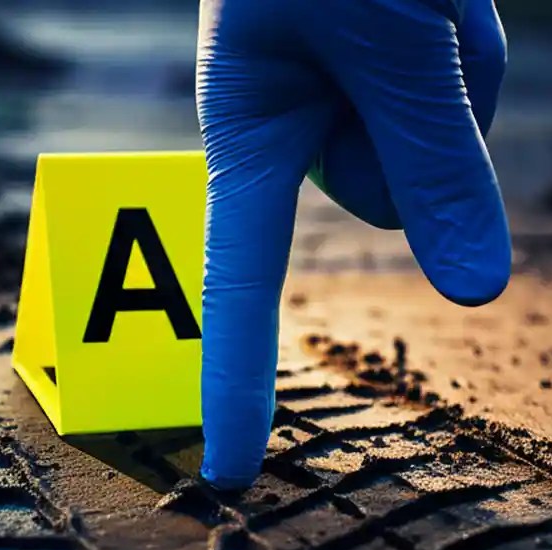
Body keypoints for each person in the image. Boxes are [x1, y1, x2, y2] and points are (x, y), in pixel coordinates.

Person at [197, 0, 511, 490]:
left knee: (239, 271)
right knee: (456, 235)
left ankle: (229, 463)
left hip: (236, 16)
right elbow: (486, 50)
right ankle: (337, 106)